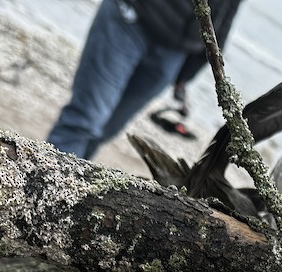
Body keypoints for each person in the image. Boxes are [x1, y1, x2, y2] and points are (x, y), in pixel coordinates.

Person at [47, 0, 243, 159]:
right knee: (86, 119)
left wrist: (189, 71)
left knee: (106, 130)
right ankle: (45, 189)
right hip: (129, 20)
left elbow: (227, 10)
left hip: (175, 52)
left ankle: (68, 189)